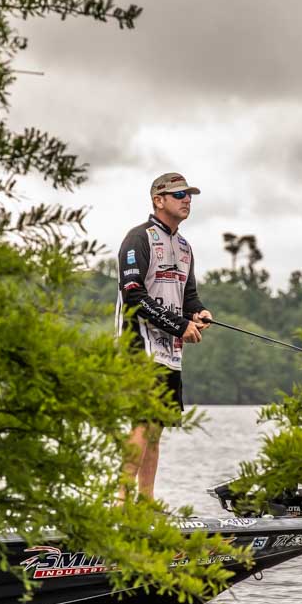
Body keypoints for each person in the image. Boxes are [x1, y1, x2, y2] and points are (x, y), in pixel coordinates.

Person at [115, 171, 214, 499]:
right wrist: (180, 325)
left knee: (156, 429)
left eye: (189, 195)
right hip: (137, 345)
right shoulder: (137, 238)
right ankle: (121, 502)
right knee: (142, 422)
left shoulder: (185, 247)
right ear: (159, 200)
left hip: (169, 351)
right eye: (180, 195)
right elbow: (133, 296)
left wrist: (198, 314)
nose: (188, 201)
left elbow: (189, 297)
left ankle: (146, 503)